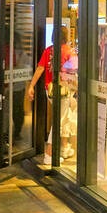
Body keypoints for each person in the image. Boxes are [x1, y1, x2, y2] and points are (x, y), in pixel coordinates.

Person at [27, 27, 71, 166]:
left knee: (66, 115)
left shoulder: (49, 50)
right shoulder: (68, 51)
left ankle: (64, 148)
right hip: (63, 90)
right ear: (66, 36)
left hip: (50, 90)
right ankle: (49, 154)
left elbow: (40, 68)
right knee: (59, 120)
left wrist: (31, 86)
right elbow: (74, 72)